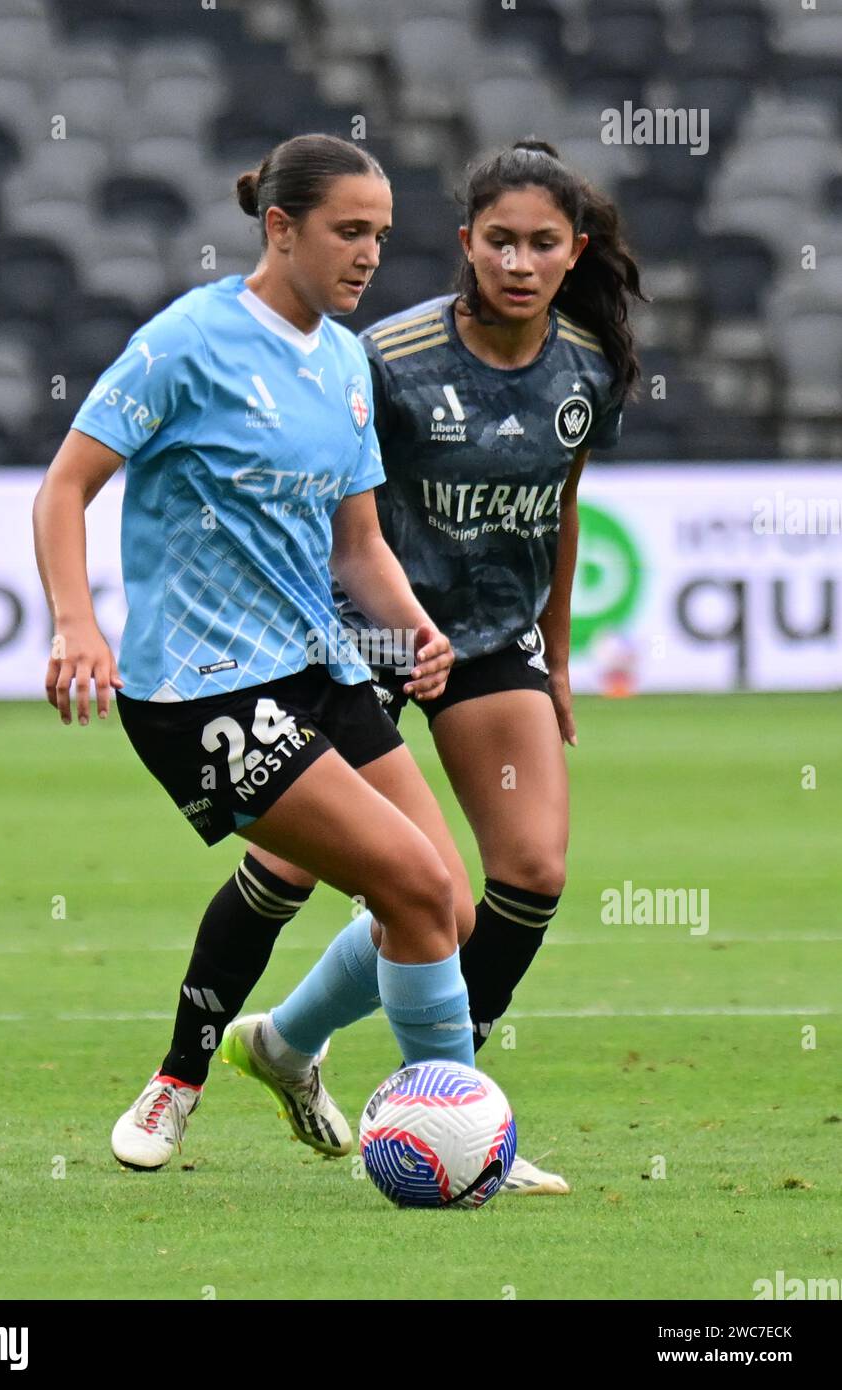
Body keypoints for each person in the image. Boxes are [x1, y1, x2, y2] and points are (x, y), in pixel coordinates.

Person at [32, 133, 483, 1172]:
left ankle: (266, 1050)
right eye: (346, 231)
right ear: (279, 228)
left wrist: (412, 627)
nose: (368, 255)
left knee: (440, 908)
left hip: (314, 668)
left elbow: (356, 543)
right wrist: (75, 622)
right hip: (199, 688)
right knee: (413, 888)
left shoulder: (343, 362)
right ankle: (459, 1140)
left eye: (379, 234)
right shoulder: (184, 344)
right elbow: (63, 487)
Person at [224, 139, 646, 1194]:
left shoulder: (585, 369)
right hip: (367, 638)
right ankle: (208, 1060)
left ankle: (434, 1102)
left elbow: (558, 508)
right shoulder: (391, 355)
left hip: (491, 640)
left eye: (540, 244)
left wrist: (553, 656)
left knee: (532, 872)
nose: (516, 260)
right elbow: (323, 499)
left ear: (571, 251)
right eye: (497, 240)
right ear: (465, 244)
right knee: (376, 879)